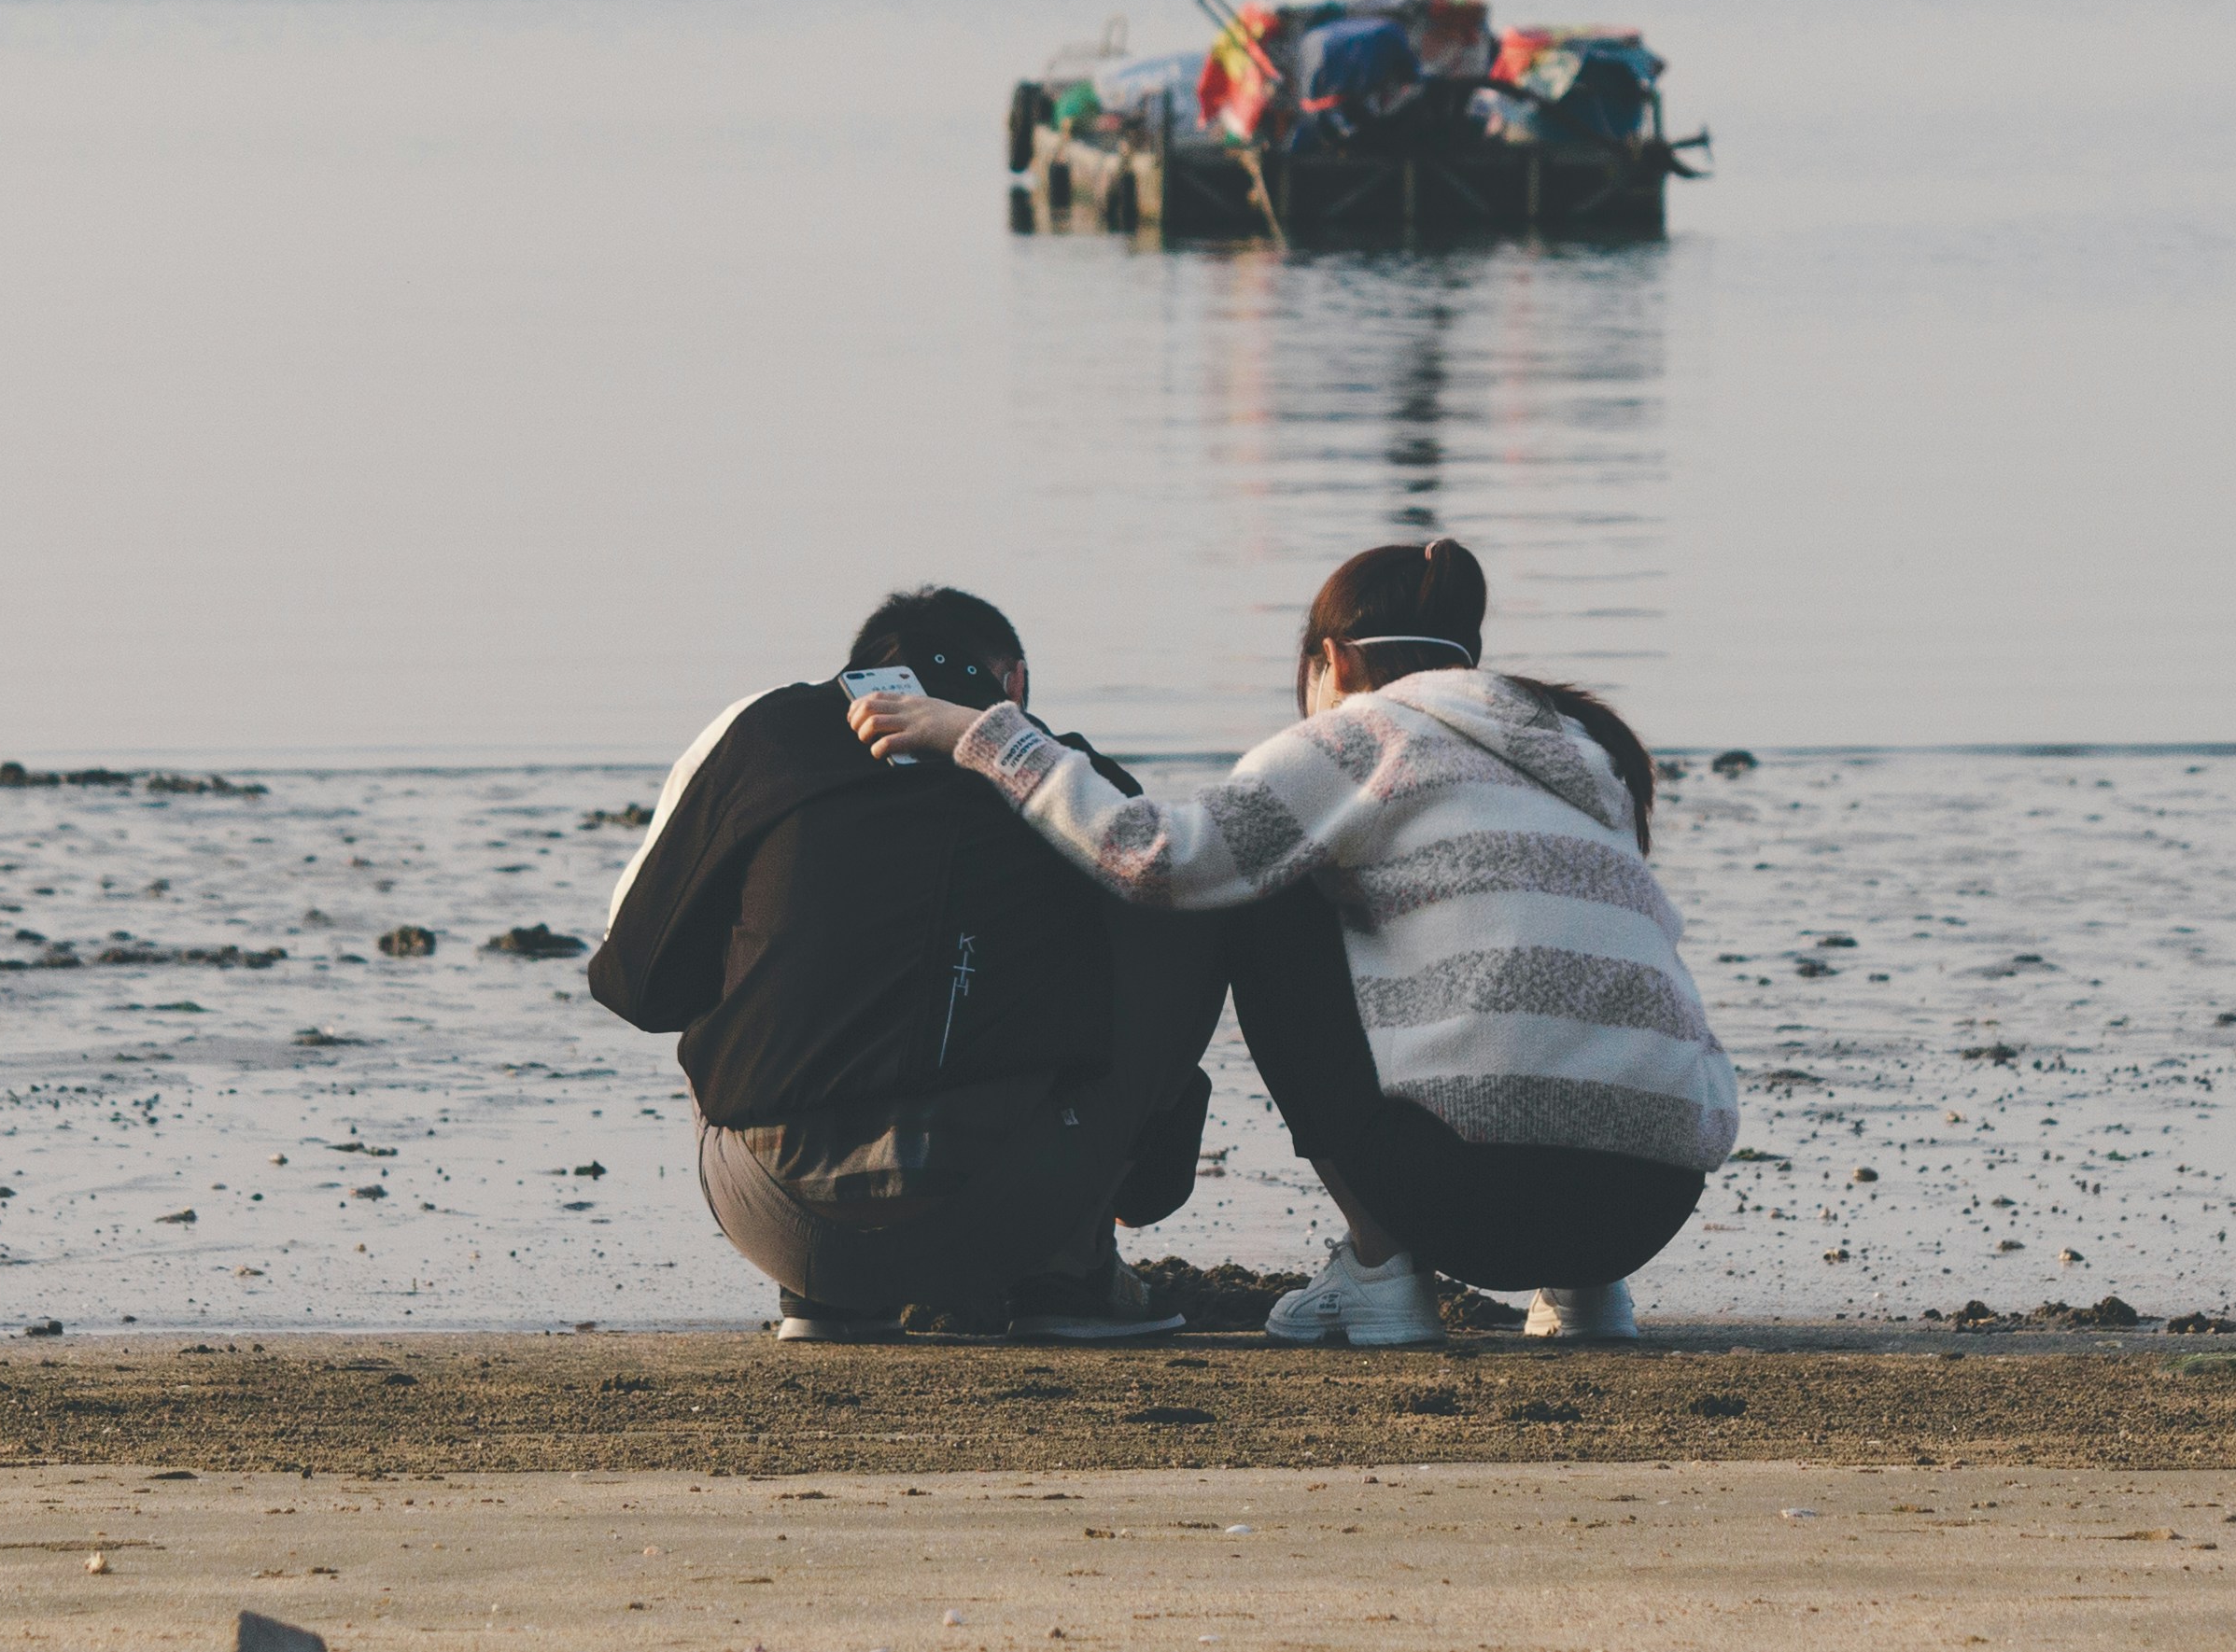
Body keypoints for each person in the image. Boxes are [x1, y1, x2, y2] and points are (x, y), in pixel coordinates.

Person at [848, 538, 1732, 1346]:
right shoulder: (1583, 753)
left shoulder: (1360, 734)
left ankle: (1382, 1272)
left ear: (1332, 661)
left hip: (1467, 1194)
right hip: (1650, 1202)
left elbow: (1157, 858)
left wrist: (982, 733)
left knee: (1256, 897)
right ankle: (1585, 1290)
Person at [593, 585, 1225, 1343]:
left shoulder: (762, 736)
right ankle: (1069, 1272)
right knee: (1181, 901)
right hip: (1013, 1210)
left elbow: (636, 982)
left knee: (715, 939)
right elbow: (1178, 917)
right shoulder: (1067, 774)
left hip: (776, 1216)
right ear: (1012, 681)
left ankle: (823, 1295)